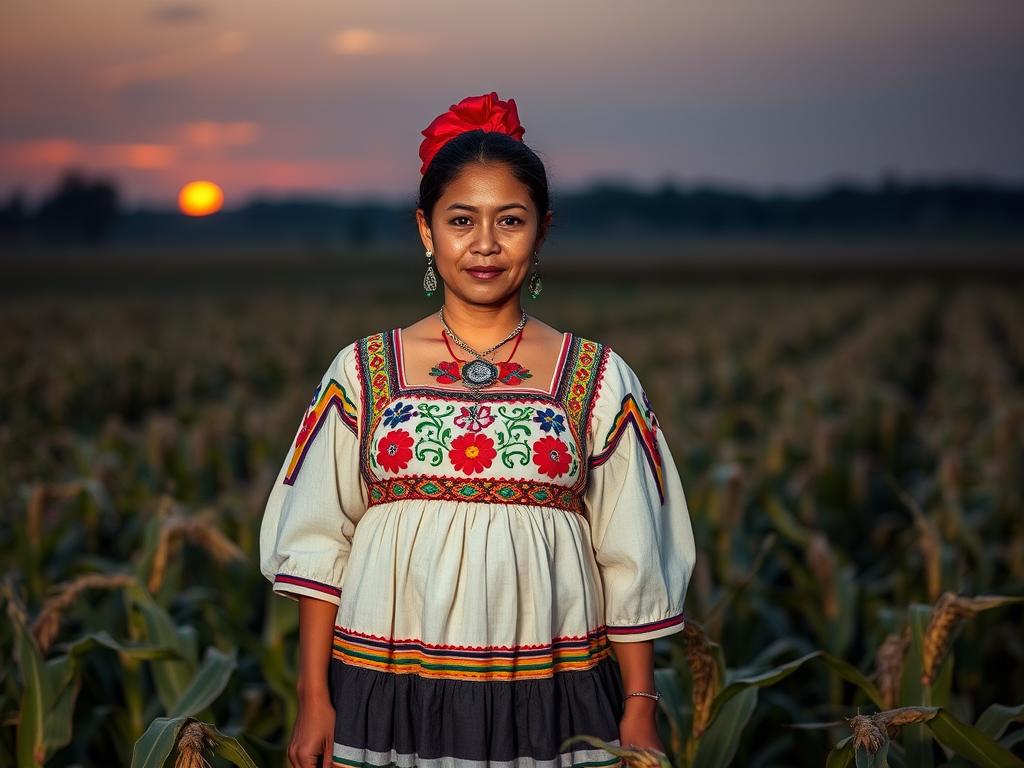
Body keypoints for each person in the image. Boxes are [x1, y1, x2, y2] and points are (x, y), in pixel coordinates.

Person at [259, 91, 697, 768]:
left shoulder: (599, 376)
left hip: (550, 689)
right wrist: (314, 699)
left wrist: (639, 710)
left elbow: (631, 554)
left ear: (542, 230)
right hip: (385, 683)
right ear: (426, 231)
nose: (485, 245)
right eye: (461, 220)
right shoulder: (364, 370)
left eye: (510, 220)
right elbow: (319, 546)